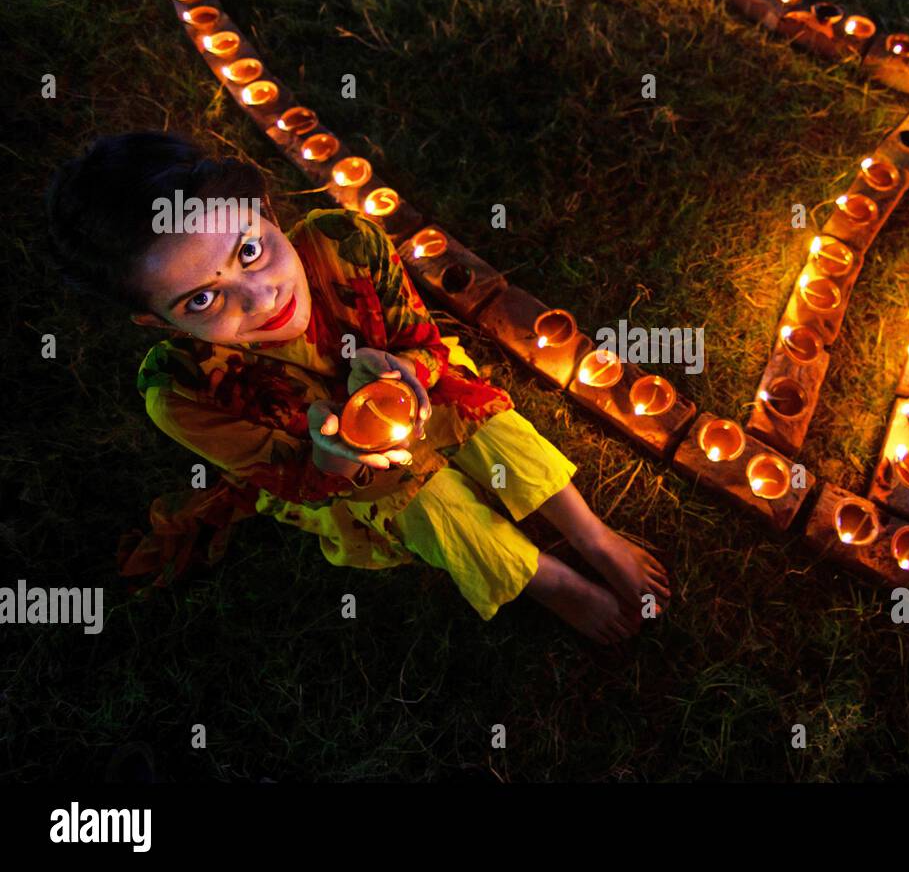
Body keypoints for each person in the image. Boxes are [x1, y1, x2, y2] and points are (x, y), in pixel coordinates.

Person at [45, 131, 670, 643]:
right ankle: (547, 579)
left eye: (252, 250)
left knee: (493, 428)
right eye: (205, 299)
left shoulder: (345, 243)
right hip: (337, 476)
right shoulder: (183, 390)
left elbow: (423, 343)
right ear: (159, 322)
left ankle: (590, 533)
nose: (263, 298)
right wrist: (331, 458)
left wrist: (411, 372)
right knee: (430, 502)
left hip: (422, 393)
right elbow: (291, 482)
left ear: (266, 212)